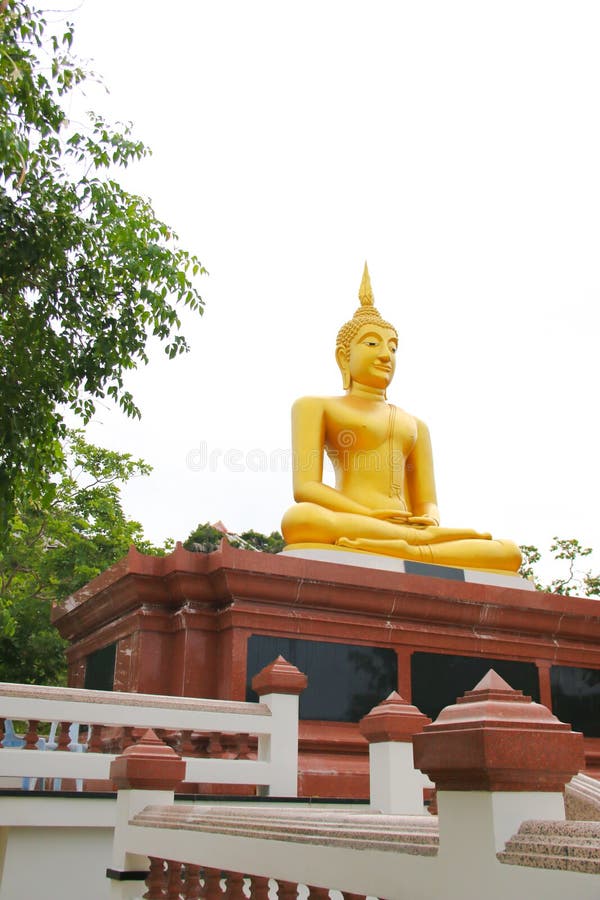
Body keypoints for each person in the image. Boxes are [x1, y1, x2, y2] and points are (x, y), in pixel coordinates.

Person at [281, 264, 522, 574]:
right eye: (372, 343)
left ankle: (405, 549)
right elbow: (306, 487)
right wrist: (371, 515)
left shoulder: (416, 424)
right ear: (343, 357)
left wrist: (429, 520)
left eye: (393, 347)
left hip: (411, 529)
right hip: (359, 520)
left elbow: (428, 503)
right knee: (301, 520)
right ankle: (416, 549)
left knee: (509, 552)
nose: (386, 355)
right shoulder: (315, 406)